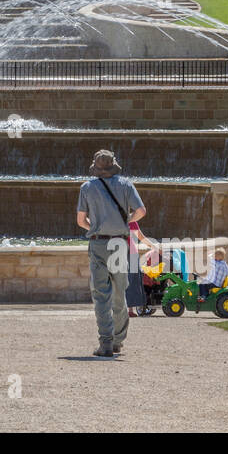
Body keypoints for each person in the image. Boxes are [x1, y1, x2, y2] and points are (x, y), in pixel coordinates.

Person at [76, 149, 146, 357]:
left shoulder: (87, 187)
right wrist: (125, 221)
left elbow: (81, 220)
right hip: (119, 243)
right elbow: (141, 211)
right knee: (119, 292)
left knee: (101, 294)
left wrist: (94, 227)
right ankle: (118, 341)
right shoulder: (126, 184)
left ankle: (105, 343)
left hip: (98, 244)